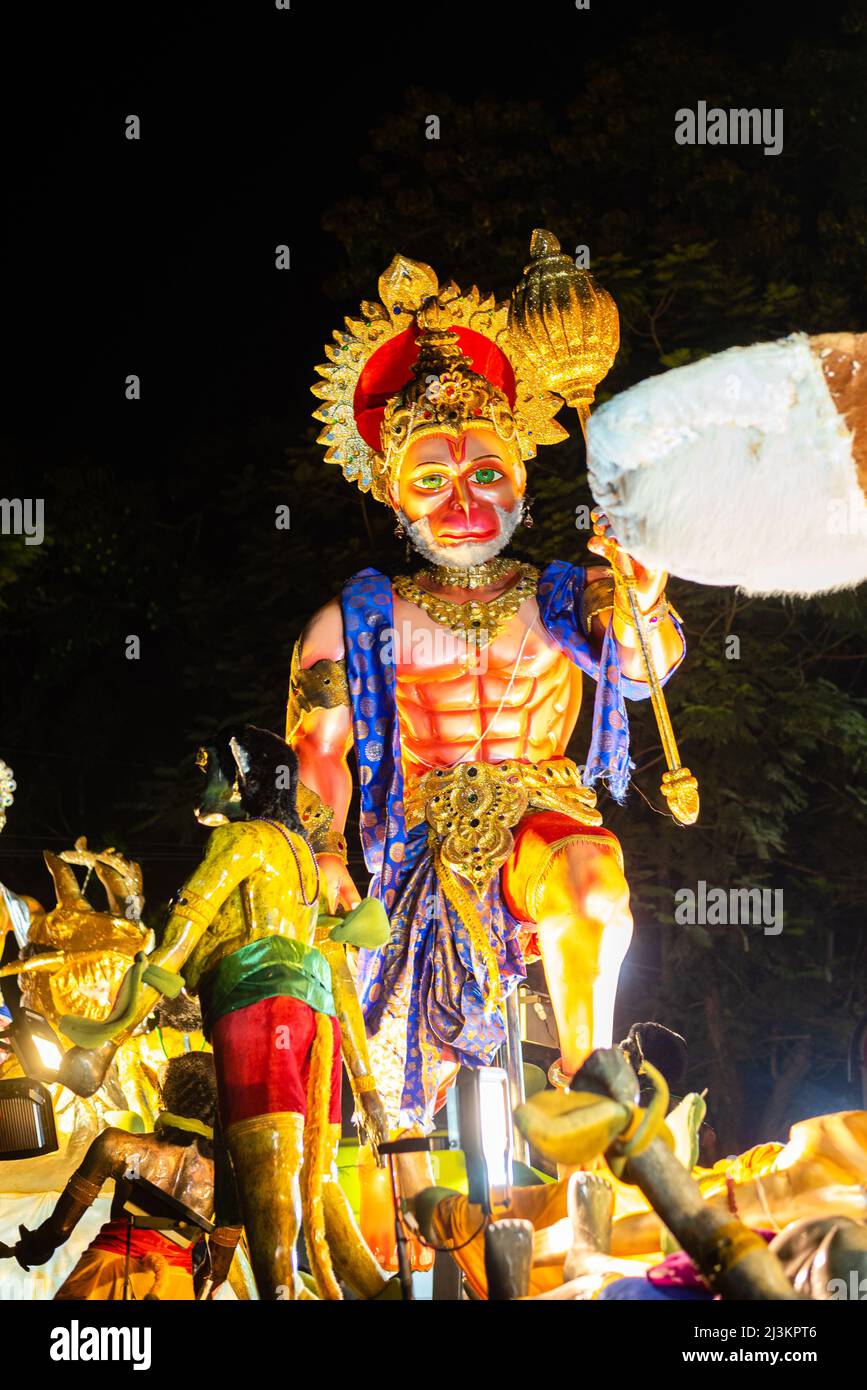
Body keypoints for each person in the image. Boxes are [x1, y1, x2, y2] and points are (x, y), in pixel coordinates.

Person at [290, 248, 686, 1136]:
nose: (461, 499)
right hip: (415, 852)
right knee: (386, 1094)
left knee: (591, 879)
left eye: (485, 474)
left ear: (519, 478)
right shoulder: (353, 623)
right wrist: (326, 864)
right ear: (392, 495)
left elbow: (639, 665)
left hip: (538, 828)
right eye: (431, 479)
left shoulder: (560, 595)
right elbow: (318, 753)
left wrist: (644, 594)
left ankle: (589, 1080)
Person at [2, 1052, 237, 1300]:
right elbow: (216, 1272)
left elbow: (60, 1228)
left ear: (166, 1094)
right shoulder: (229, 1178)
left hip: (108, 1272)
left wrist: (28, 1250)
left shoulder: (118, 1145)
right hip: (173, 1284)